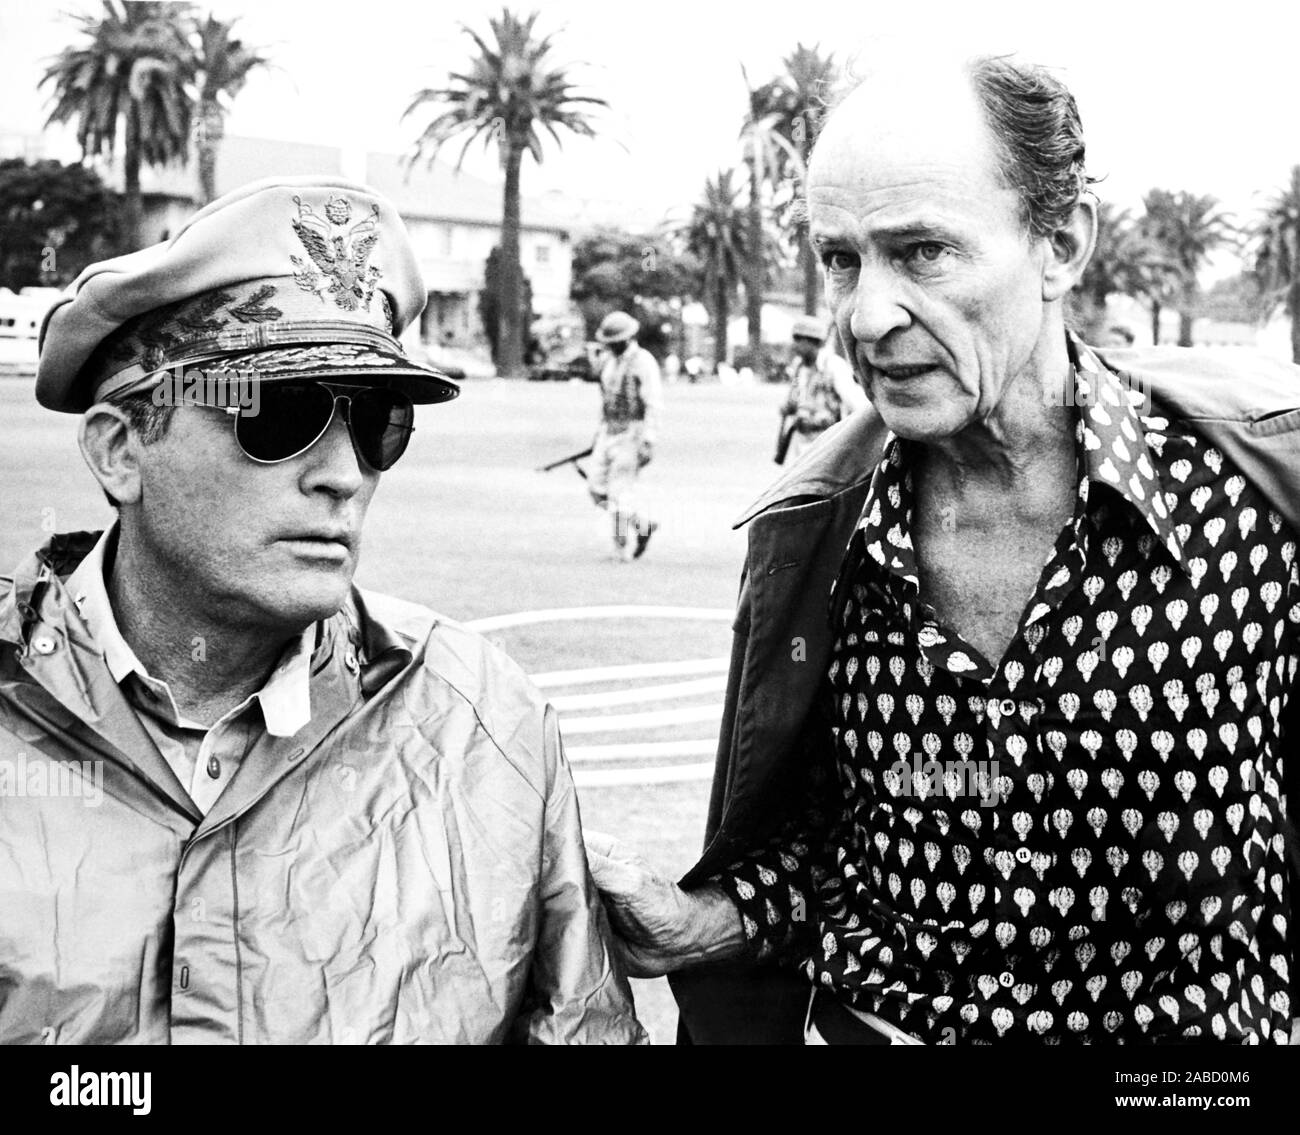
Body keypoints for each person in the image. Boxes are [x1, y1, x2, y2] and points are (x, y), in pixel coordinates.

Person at [588, 55, 1299, 1045]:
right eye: (840, 258)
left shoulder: (1254, 507)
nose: (865, 316)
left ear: (1061, 244)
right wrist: (711, 915)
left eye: (920, 251)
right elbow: (832, 840)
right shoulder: (815, 537)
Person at [0, 176, 645, 1045]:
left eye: (378, 421)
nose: (343, 474)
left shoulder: (485, 723)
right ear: (121, 449)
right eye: (281, 413)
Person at [588, 310, 663, 561]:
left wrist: (649, 440)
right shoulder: (609, 362)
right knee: (596, 489)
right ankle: (642, 526)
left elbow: (653, 403)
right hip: (608, 431)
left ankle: (620, 549)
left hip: (632, 433)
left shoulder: (643, 361)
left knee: (620, 495)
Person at [775, 315, 869, 464]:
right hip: (801, 441)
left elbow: (856, 403)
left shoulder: (833, 366)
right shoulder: (799, 367)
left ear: (814, 342)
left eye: (800, 340)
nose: (795, 345)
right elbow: (795, 400)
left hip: (827, 440)